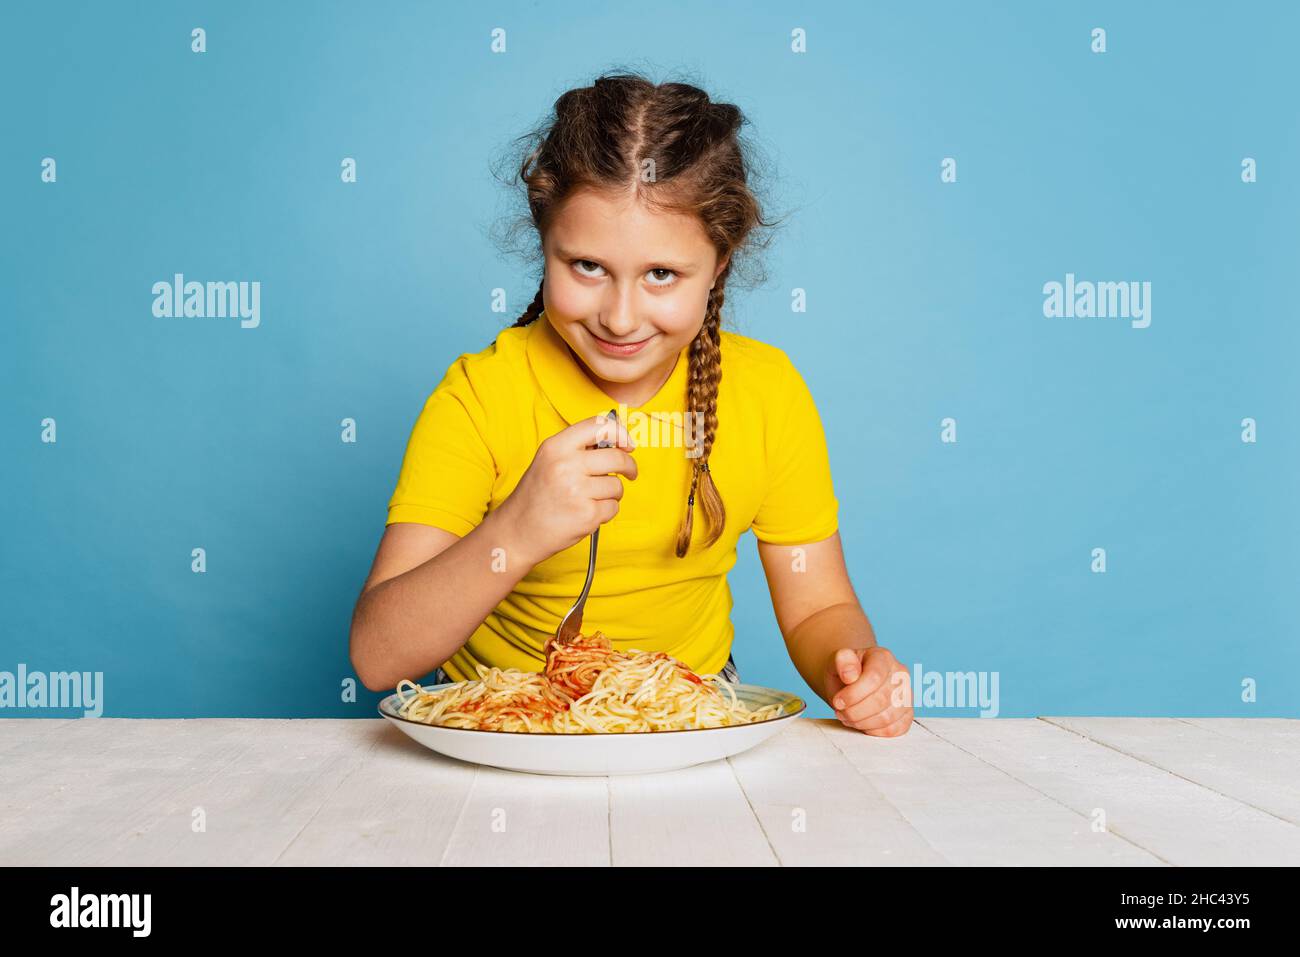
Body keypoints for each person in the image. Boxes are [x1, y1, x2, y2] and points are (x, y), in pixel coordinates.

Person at [350, 72, 912, 737]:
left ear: (721, 262)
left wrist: (854, 671)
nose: (620, 317)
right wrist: (519, 528)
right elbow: (380, 655)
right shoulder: (480, 395)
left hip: (691, 717)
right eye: (587, 266)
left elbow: (818, 605)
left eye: (662, 275)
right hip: (504, 721)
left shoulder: (767, 392)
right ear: (544, 243)